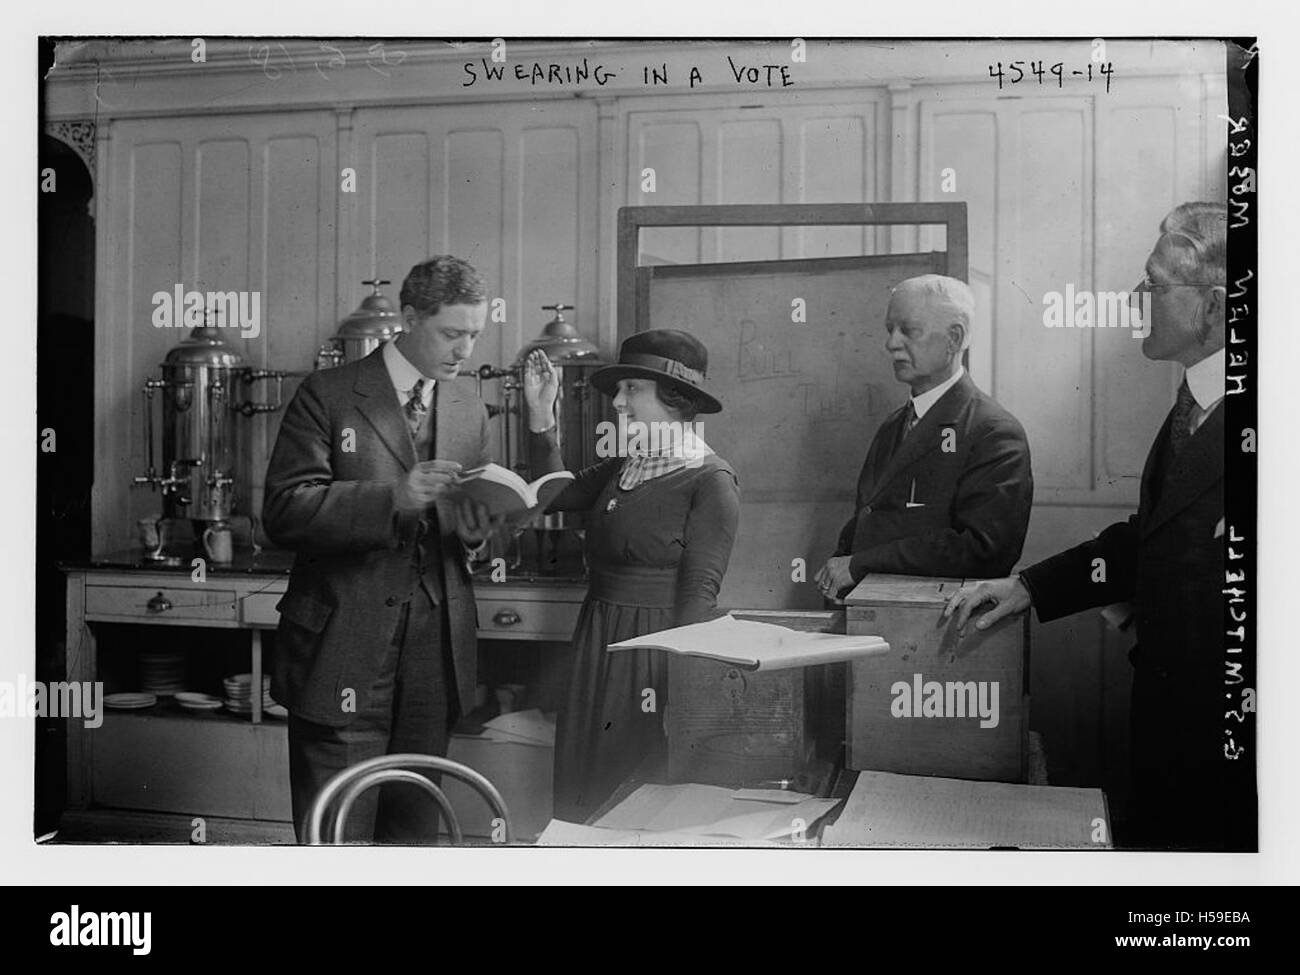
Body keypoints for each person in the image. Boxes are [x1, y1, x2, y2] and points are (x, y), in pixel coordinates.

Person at [944, 202, 1251, 851]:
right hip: (1166, 736)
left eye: (1155, 284)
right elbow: (1152, 538)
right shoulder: (1193, 403)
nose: (1138, 298)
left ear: (1216, 306)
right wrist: (1029, 587)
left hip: (1230, 762)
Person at [263, 255, 548, 843]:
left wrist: (476, 527)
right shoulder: (329, 393)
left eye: (474, 335)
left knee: (414, 833)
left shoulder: (469, 405)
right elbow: (284, 510)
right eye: (451, 334)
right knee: (335, 834)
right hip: (343, 644)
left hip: (435, 653)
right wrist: (391, 498)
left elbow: (475, 533)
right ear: (409, 316)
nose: (464, 350)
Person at [524, 329, 741, 822]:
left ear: (675, 398)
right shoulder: (627, 464)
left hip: (650, 656)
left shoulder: (712, 483)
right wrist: (541, 420)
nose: (618, 402)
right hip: (595, 642)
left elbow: (697, 601)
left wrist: (681, 702)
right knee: (580, 786)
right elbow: (554, 496)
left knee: (626, 796)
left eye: (631, 390)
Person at [815, 274, 1033, 600]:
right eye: (890, 329)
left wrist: (859, 565)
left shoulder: (995, 433)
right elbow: (868, 519)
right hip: (873, 613)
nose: (891, 343)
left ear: (954, 339)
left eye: (909, 330)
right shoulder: (893, 426)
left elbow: (985, 550)